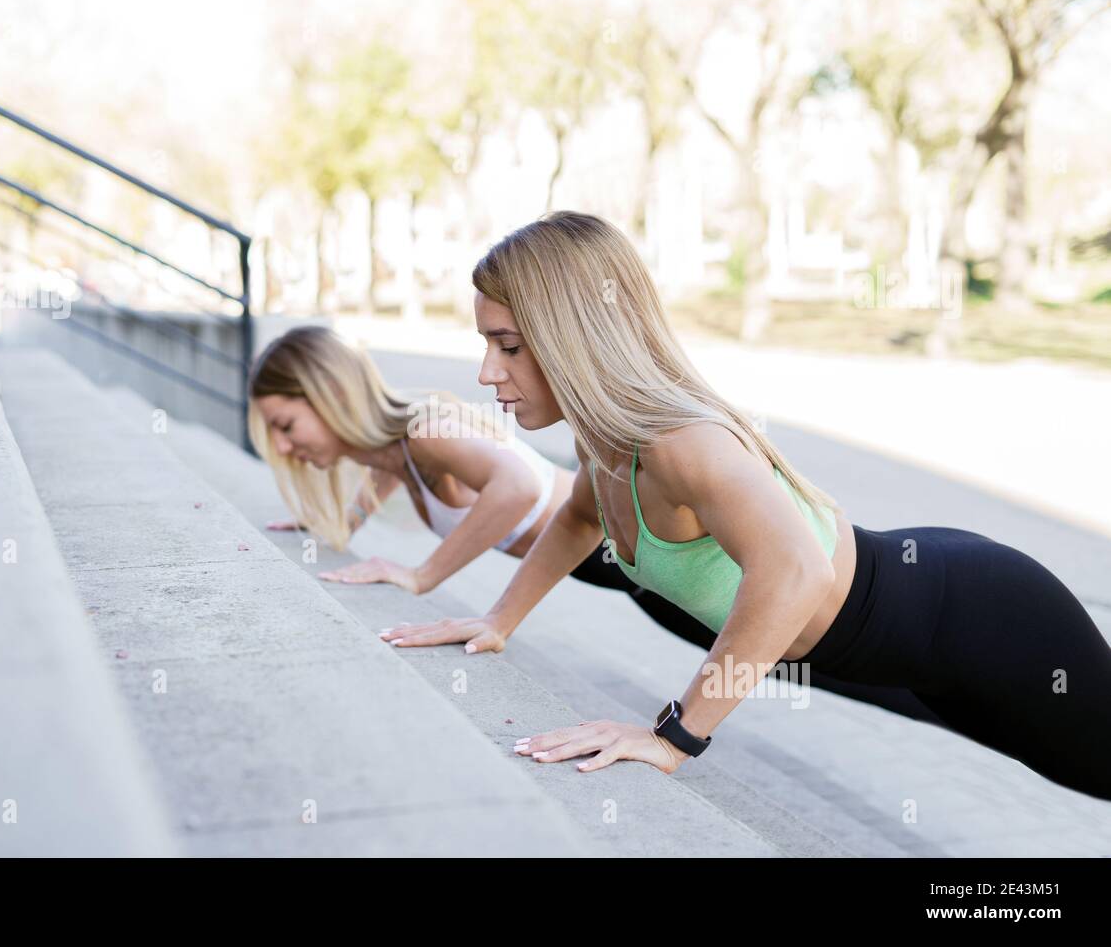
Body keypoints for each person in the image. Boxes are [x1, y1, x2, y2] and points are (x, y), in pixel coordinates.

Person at [379, 211, 1111, 801]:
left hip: (981, 615)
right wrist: (498, 620)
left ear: (575, 337)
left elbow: (794, 572)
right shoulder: (610, 446)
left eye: (507, 346)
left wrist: (674, 737)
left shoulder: (678, 442)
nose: (485, 371)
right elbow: (575, 518)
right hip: (901, 656)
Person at [250, 326, 951, 727]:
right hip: (628, 575)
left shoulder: (425, 433)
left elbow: (518, 484)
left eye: (286, 425)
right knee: (807, 663)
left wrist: (420, 575)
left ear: (328, 396)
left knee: (815, 653)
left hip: (617, 554)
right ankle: (936, 689)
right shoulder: (398, 451)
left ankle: (946, 686)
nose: (285, 447)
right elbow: (393, 477)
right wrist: (337, 525)